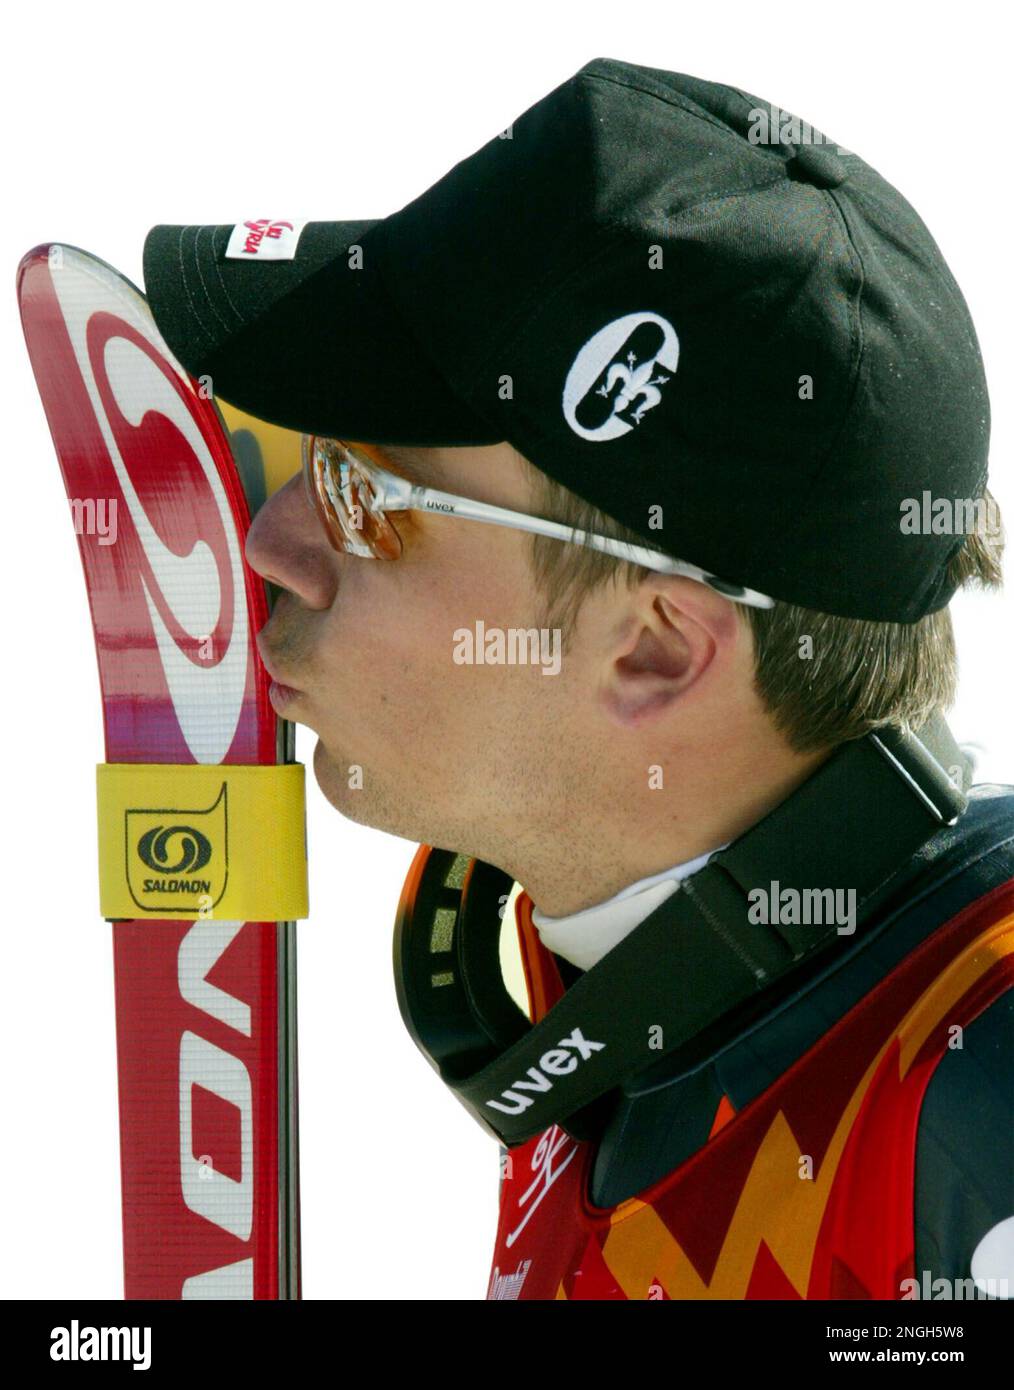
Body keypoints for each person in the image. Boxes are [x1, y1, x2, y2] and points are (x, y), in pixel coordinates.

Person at [142, 57, 1013, 1301]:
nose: (270, 542)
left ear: (655, 649)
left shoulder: (977, 1078)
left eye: (359, 494)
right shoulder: (618, 976)